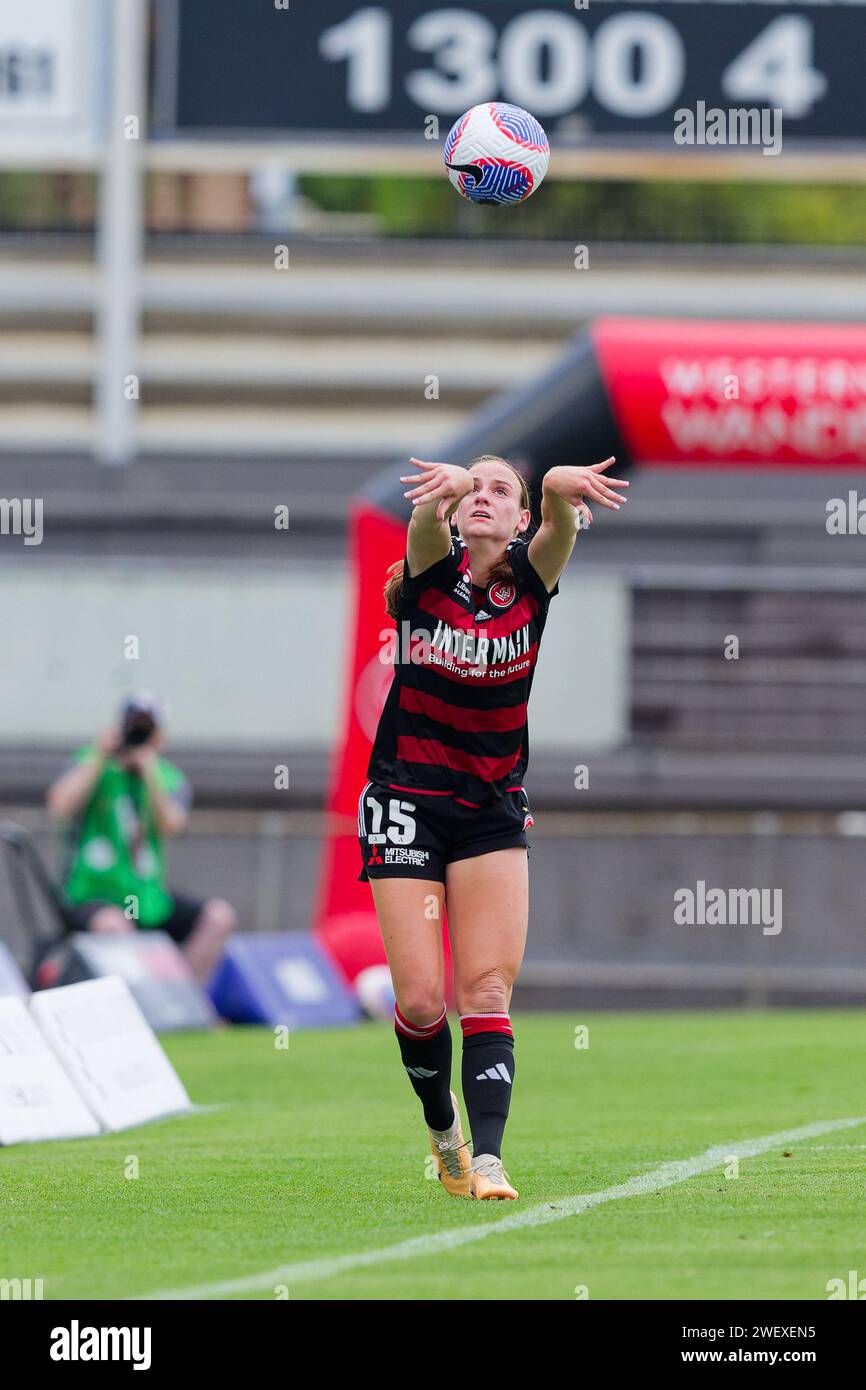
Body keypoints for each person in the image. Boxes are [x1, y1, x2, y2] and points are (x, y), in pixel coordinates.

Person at [357, 453, 628, 1199]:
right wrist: (435, 498)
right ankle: (442, 1124)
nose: (483, 498)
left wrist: (555, 495)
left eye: (499, 491)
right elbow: (420, 524)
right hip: (407, 798)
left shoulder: (531, 587)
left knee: (484, 989)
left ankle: (488, 1159)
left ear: (515, 522)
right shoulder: (428, 574)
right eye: (472, 488)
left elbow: (560, 529)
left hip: (489, 809)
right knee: (419, 1001)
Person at [46, 693, 236, 985]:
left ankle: (182, 999)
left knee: (219, 917)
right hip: (93, 893)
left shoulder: (167, 778)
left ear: (160, 738)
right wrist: (100, 756)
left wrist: (148, 771)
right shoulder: (92, 764)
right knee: (113, 926)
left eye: (146, 729)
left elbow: (171, 825)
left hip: (147, 897)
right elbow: (59, 805)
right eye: (133, 726)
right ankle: (129, 1008)